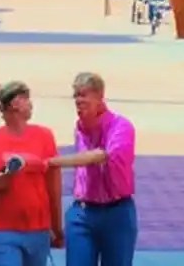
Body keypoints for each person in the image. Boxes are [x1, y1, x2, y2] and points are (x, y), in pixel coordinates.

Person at [48, 72, 136, 266]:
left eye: (84, 95)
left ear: (99, 97)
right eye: (76, 96)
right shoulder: (80, 127)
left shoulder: (121, 126)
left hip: (117, 211)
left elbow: (101, 156)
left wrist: (54, 162)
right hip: (83, 211)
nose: (78, 101)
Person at [0, 82, 62, 265]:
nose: (31, 104)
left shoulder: (45, 136)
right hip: (2, 228)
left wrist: (56, 226)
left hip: (38, 228)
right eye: (27, 99)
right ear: (15, 103)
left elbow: (54, 186)